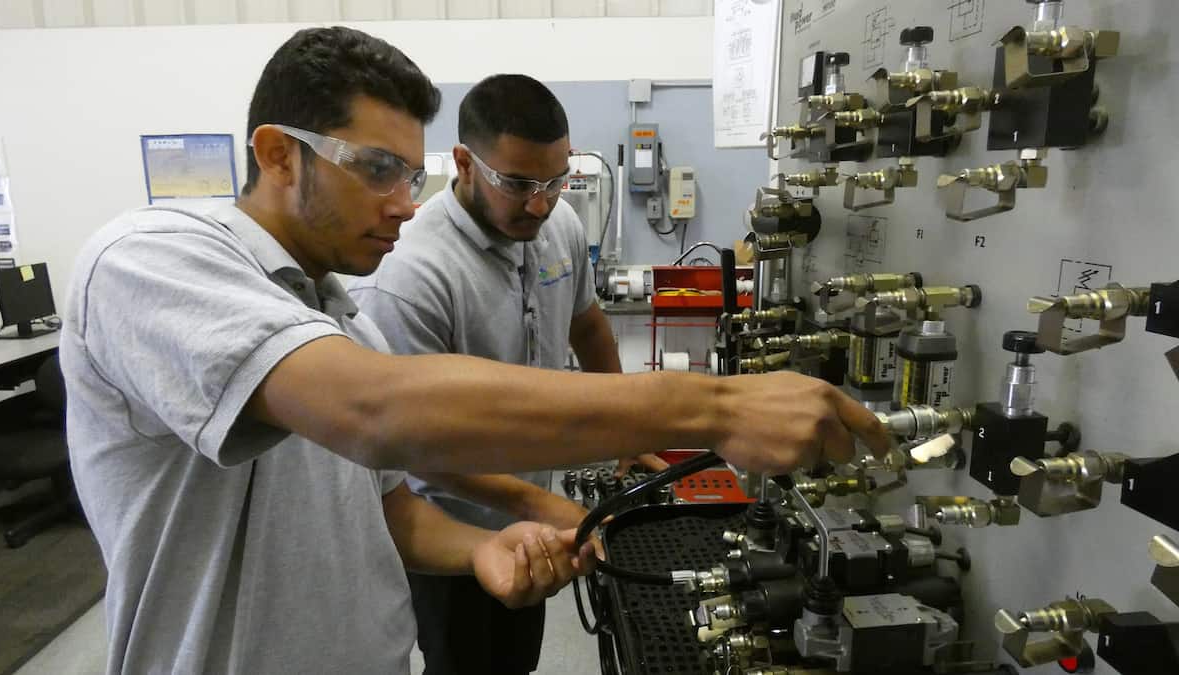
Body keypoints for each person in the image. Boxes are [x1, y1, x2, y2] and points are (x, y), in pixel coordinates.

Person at [60, 26, 889, 675]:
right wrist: (712, 405)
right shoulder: (147, 259)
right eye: (377, 169)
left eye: (408, 174)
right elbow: (377, 413)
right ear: (278, 154)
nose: (400, 203)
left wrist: (482, 546)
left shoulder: (339, 309)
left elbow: (389, 507)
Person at [347, 73, 666, 674]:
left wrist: (630, 432)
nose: (541, 203)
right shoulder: (410, 276)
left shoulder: (557, 226)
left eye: (555, 179)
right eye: (518, 183)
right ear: (465, 163)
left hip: (528, 517)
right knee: (465, 661)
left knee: (515, 660)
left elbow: (589, 326)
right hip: (448, 529)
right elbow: (410, 449)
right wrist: (533, 503)